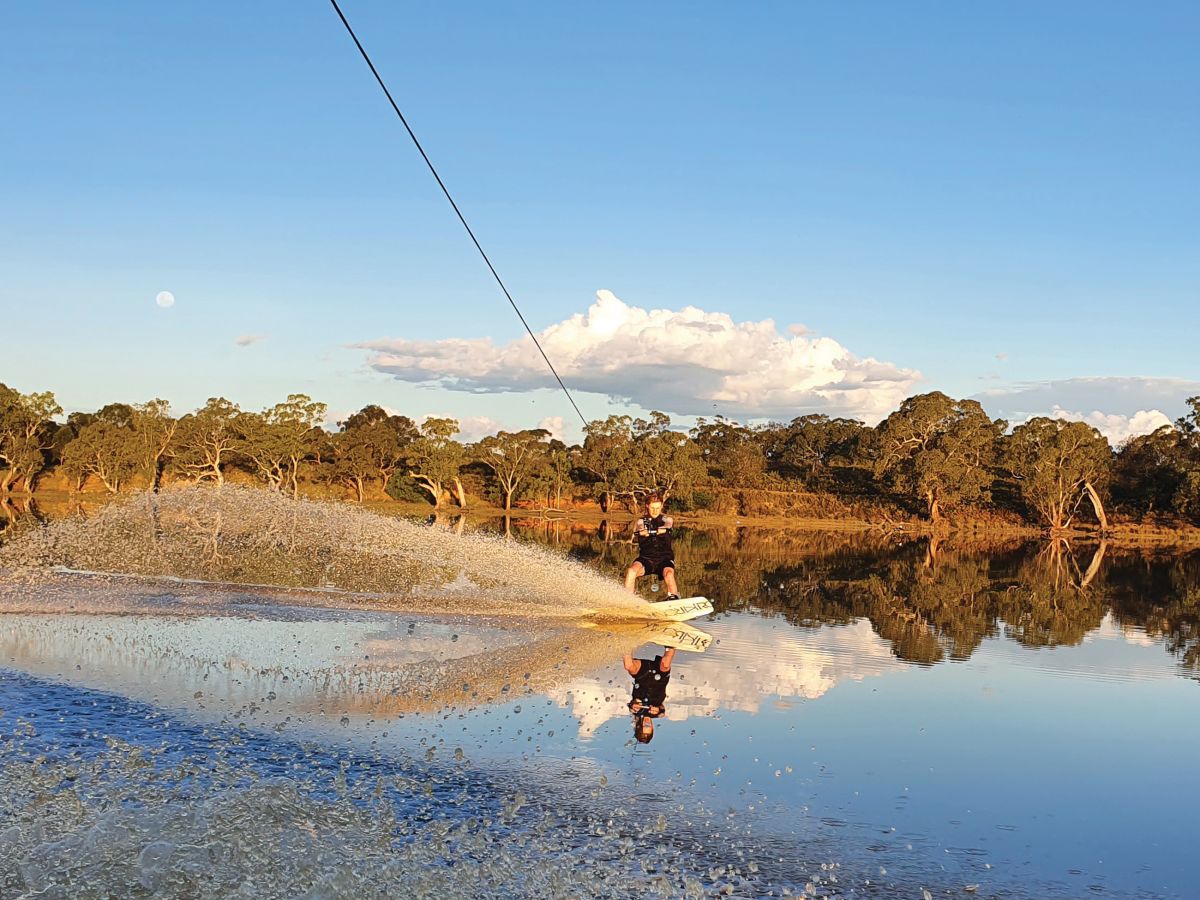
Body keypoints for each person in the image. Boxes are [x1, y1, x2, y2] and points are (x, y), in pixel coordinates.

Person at [624, 493, 679, 600]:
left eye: (658, 508)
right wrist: (642, 531)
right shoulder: (641, 521)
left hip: (664, 559)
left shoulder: (666, 519)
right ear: (647, 506)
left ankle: (675, 598)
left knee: (668, 574)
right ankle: (627, 600)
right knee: (631, 571)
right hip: (646, 559)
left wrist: (663, 529)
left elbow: (668, 525)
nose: (655, 511)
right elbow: (640, 526)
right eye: (653, 508)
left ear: (661, 506)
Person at [624, 647, 674, 744]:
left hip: (643, 674)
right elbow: (662, 712)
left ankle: (625, 644)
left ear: (639, 726)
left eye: (645, 726)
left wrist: (635, 704)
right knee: (665, 664)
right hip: (660, 676)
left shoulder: (636, 711)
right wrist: (658, 709)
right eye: (649, 727)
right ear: (652, 727)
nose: (647, 724)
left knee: (628, 666)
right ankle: (671, 646)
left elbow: (631, 706)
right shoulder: (658, 714)